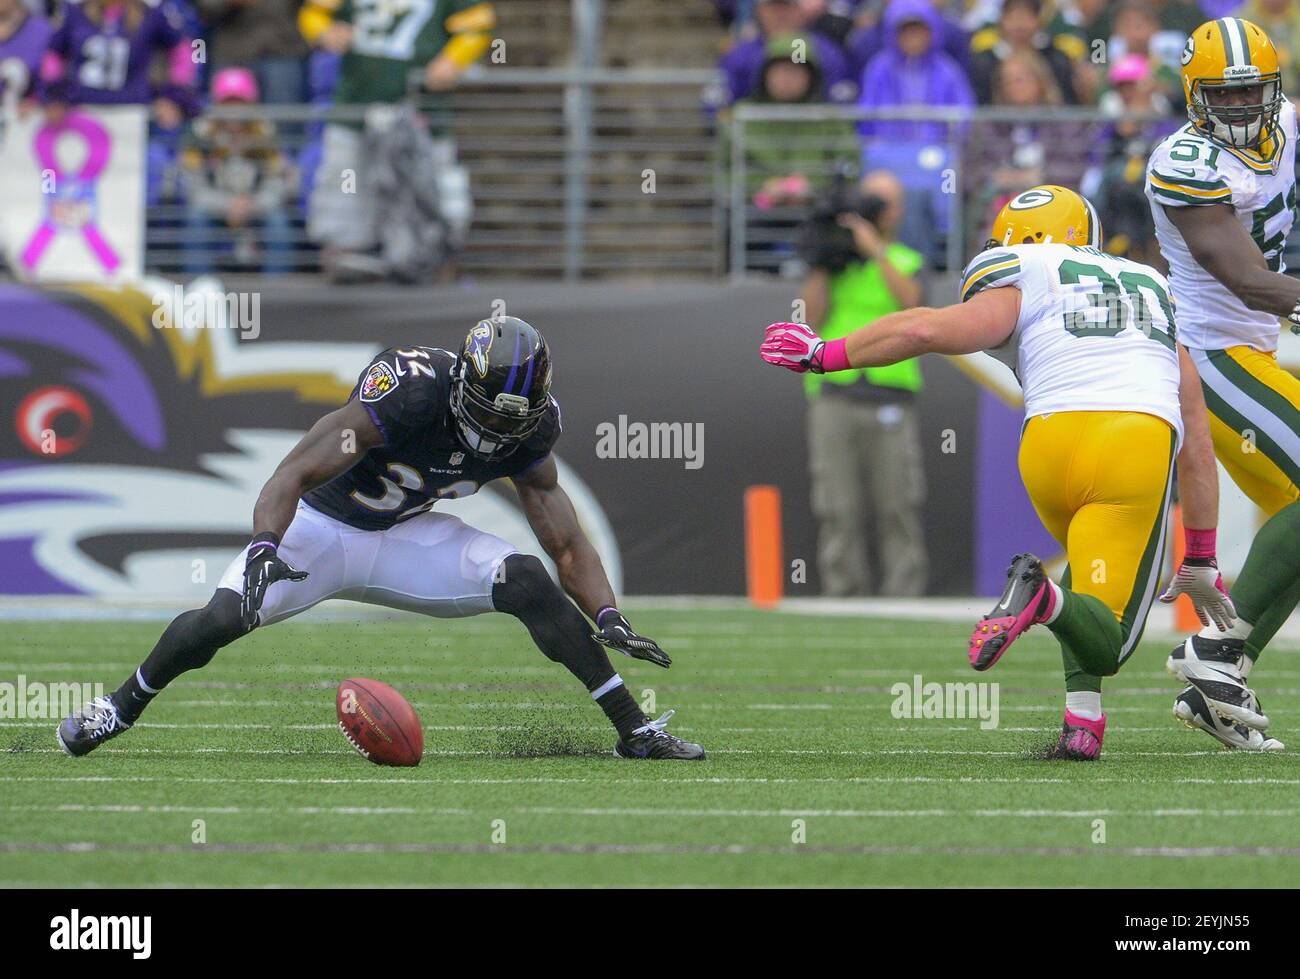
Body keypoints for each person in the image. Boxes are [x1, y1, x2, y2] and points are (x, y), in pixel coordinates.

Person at [57, 317, 705, 762]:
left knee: (527, 578)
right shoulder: (410, 388)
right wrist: (263, 544)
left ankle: (635, 730)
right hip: (324, 526)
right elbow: (296, 470)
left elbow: (563, 540)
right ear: (461, 385)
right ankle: (116, 708)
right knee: (223, 615)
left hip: (407, 535)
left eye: (510, 421)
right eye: (484, 412)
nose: (492, 433)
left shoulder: (532, 430)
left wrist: (608, 612)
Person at [763, 185, 1246, 758]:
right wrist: (1201, 554)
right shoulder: (1154, 288)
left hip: (1047, 445)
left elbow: (923, 328)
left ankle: (1082, 723)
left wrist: (826, 354)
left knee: (1086, 586)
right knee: (1107, 641)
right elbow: (1195, 431)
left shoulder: (1024, 272)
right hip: (1131, 441)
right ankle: (1040, 601)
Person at [1145, 15, 1300, 750]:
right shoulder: (1183, 162)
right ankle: (1217, 651)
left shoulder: (1289, 124)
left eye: (1252, 96)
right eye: (1223, 98)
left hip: (1255, 351)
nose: (1240, 111)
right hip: (1208, 354)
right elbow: (1247, 280)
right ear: (1193, 96)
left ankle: (1222, 667)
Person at [800, 170, 928, 597]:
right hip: (835, 394)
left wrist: (876, 252)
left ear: (897, 212)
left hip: (890, 394)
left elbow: (913, 303)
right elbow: (807, 320)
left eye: (885, 202)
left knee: (898, 504)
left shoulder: (906, 259)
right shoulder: (835, 264)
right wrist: (823, 259)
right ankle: (843, 594)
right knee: (837, 505)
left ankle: (904, 595)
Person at [303, 0, 494, 282]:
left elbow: (478, 24)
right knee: (344, 177)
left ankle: (440, 254)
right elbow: (314, 12)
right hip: (356, 104)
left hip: (424, 109)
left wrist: (454, 59)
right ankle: (345, 253)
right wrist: (325, 33)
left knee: (436, 180)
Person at [179, 67, 294, 275]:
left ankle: (277, 289)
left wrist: (251, 205)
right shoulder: (200, 135)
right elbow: (193, 189)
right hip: (215, 207)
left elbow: (278, 184)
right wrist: (228, 205)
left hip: (256, 205)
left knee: (278, 222)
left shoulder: (266, 135)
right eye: (227, 103)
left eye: (240, 103)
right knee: (196, 219)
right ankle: (198, 289)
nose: (233, 111)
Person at [716, 0, 857, 108]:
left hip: (814, 137)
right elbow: (717, 104)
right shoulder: (741, 54)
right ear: (760, 11)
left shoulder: (826, 52)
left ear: (800, 11)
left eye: (787, 8)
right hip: (756, 136)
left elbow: (843, 102)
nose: (780, 15)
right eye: (773, 9)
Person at [195, 0, 310, 104]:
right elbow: (204, 9)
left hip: (284, 50)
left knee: (285, 118)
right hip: (233, 53)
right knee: (228, 121)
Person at [968, 0, 1080, 104]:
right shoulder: (984, 63)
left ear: (1039, 21)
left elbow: (1067, 104)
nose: (1020, 25)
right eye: (1013, 16)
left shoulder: (1056, 59)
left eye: (1027, 16)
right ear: (1001, 20)